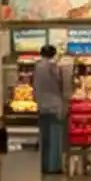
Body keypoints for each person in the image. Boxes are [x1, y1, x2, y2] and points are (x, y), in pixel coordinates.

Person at [33, 44, 65, 174]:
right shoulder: (54, 67)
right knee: (55, 136)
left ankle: (44, 165)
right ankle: (54, 166)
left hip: (41, 105)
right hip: (54, 106)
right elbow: (61, 83)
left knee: (44, 137)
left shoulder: (37, 67)